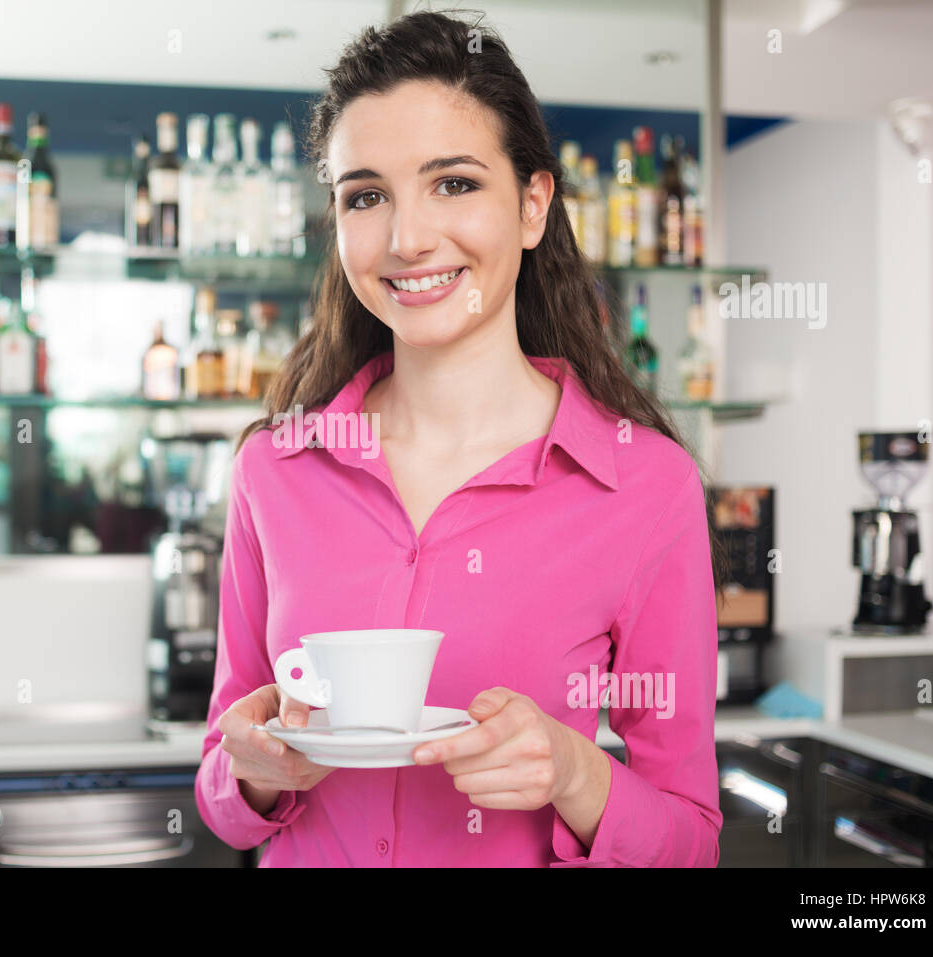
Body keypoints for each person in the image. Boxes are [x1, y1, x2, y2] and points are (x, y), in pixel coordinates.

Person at [194, 9, 723, 866]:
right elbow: (224, 787)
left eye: (454, 183)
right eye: (366, 195)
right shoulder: (273, 470)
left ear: (532, 205)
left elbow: (691, 839)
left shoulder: (647, 488)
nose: (407, 239)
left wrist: (575, 772)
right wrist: (253, 770)